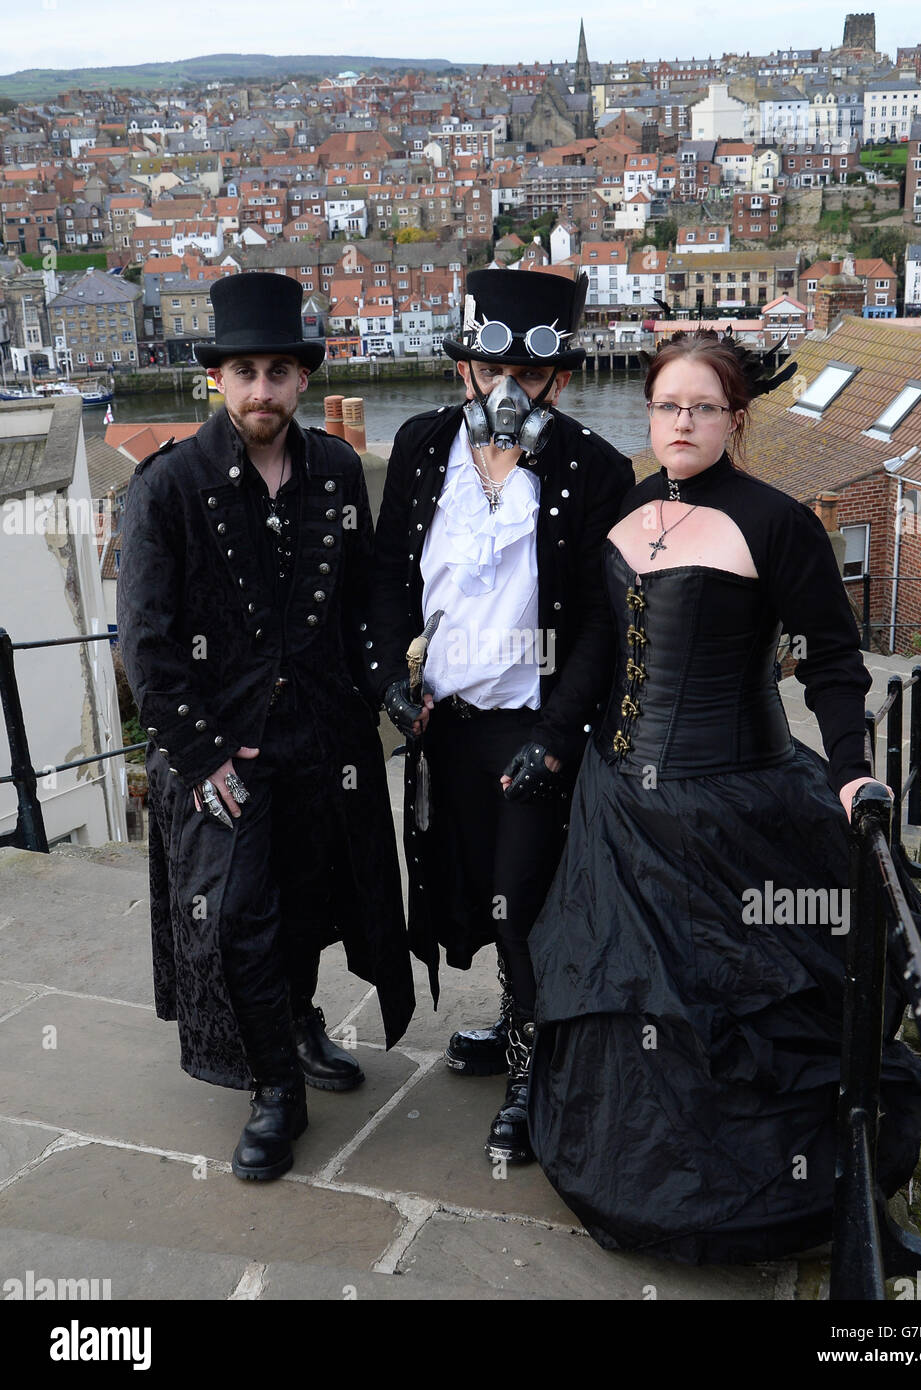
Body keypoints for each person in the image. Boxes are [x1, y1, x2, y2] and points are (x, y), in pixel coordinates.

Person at [526, 330, 921, 1261]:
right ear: (649, 412)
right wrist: (553, 743)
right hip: (622, 807)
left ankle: (821, 1206)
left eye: (703, 407)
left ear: (734, 418)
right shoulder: (630, 509)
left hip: (734, 803)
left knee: (748, 1009)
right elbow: (599, 647)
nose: (683, 422)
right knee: (629, 1004)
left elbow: (834, 660)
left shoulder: (776, 522)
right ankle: (638, 1186)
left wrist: (850, 770)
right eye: (668, 405)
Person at [117, 271, 414, 1182]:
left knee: (313, 897)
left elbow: (363, 599)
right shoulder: (168, 486)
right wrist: (204, 753)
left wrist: (386, 687)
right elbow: (145, 640)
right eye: (243, 371)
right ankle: (273, 1089)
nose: (260, 390)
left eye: (277, 372)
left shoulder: (332, 468)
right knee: (238, 914)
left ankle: (299, 1022)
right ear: (219, 379)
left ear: (300, 380)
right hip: (220, 745)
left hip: (322, 736)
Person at [369, 268, 634, 1164]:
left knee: (522, 904)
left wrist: (558, 740)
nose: (509, 389)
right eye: (493, 368)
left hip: (531, 727)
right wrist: (390, 678)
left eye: (531, 371)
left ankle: (531, 1075)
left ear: (560, 379)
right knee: (467, 888)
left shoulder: (597, 469)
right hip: (444, 725)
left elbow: (601, 623)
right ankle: (517, 1029)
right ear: (463, 371)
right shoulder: (417, 445)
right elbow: (387, 582)